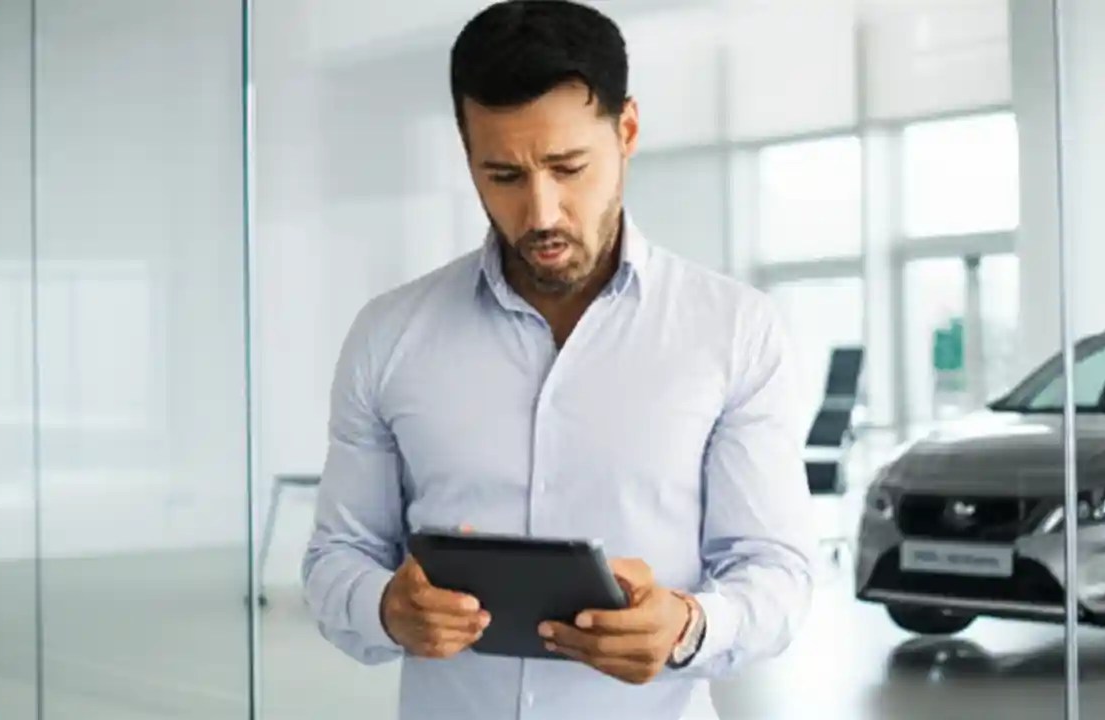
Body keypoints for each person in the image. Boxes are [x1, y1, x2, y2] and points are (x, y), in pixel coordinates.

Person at [302, 1, 816, 718]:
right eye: (503, 175)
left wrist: (690, 626)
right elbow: (335, 561)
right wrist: (387, 607)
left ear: (626, 130)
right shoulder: (389, 335)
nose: (541, 212)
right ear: (466, 152)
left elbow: (778, 572)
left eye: (567, 167)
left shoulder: (733, 330)